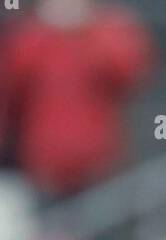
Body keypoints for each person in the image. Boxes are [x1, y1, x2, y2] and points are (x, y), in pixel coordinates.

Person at [0, 0, 156, 200]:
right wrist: (47, 31)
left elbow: (131, 72)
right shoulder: (28, 36)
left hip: (102, 165)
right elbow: (12, 85)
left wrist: (84, 30)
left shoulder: (109, 27)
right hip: (45, 172)